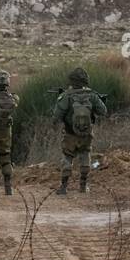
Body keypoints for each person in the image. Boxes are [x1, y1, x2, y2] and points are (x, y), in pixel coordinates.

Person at [52, 67, 107, 195]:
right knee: (85, 154)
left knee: (67, 156)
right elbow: (103, 111)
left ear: (71, 80)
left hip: (70, 133)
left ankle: (64, 187)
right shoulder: (92, 95)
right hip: (86, 134)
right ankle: (83, 185)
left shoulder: (66, 96)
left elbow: (56, 116)